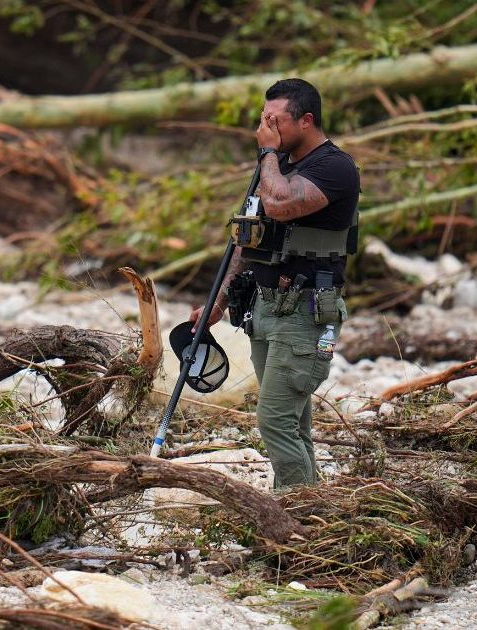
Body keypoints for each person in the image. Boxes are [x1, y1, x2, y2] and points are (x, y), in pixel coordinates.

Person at [190, 78, 360, 487]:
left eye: (274, 121)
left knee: (274, 419)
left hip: (306, 312)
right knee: (293, 422)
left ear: (305, 120)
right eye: (263, 120)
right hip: (266, 309)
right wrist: (221, 299)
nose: (265, 130)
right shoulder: (276, 168)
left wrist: (267, 153)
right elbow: (246, 240)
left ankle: (293, 514)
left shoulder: (334, 167)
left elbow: (282, 205)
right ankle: (314, 512)